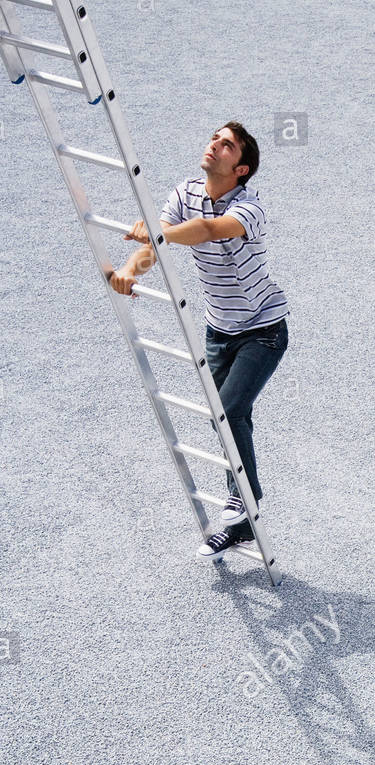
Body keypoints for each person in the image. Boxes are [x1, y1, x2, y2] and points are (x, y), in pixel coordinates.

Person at [110, 122, 289, 558]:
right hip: (218, 330)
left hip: (262, 330)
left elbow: (209, 231)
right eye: (215, 137)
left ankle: (247, 497)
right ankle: (242, 523)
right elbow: (157, 244)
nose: (214, 145)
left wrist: (156, 232)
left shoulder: (250, 207)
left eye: (226, 145)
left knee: (226, 413)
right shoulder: (186, 192)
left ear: (241, 168)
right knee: (235, 418)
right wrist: (132, 269)